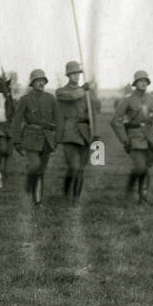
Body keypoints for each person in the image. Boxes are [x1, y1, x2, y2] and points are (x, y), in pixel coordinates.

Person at [111, 70, 153, 204]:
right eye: (140, 81)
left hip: (150, 138)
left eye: (145, 81)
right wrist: (124, 140)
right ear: (135, 83)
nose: (143, 83)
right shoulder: (127, 100)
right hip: (134, 138)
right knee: (140, 167)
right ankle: (130, 188)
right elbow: (115, 120)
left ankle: (142, 197)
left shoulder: (152, 99)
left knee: (146, 167)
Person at [11, 69, 61, 206]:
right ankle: (29, 185)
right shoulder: (25, 100)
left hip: (47, 139)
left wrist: (57, 138)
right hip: (30, 138)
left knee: (41, 171)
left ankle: (37, 201)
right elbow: (16, 121)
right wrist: (16, 142)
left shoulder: (51, 99)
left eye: (43, 80)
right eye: (38, 80)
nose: (41, 83)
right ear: (32, 83)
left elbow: (59, 119)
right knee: (35, 165)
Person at [55, 60, 95, 204]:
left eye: (78, 73)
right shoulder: (61, 92)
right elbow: (72, 96)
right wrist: (84, 89)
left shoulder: (86, 93)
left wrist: (95, 132)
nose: (76, 76)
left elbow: (92, 113)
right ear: (68, 75)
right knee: (74, 166)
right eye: (73, 74)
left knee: (80, 169)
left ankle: (75, 199)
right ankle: (68, 191)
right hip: (69, 134)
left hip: (85, 133)